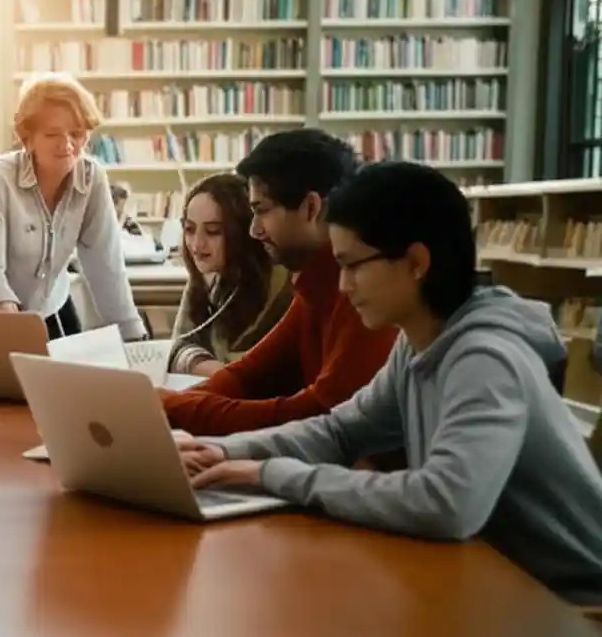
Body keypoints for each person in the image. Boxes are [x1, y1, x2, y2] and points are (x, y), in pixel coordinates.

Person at [181, 161, 602, 606]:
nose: (342, 287)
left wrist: (272, 474)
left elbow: (446, 504)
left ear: (416, 262)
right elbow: (339, 431)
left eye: (352, 266)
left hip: (571, 607)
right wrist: (226, 451)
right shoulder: (417, 341)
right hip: (497, 584)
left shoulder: (486, 358)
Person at [159, 129, 397, 434]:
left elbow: (320, 414)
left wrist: (173, 406)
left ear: (311, 207)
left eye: (262, 211)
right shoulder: (315, 283)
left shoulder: (360, 291)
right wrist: (168, 407)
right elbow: (248, 376)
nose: (254, 230)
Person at [0, 73, 145, 340]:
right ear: (27, 136)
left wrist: (134, 337)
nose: (67, 145)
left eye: (76, 134)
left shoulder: (92, 177)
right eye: (52, 134)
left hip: (54, 312)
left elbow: (105, 267)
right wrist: (16, 333)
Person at [168, 173, 292, 377]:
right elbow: (175, 348)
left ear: (242, 232)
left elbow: (250, 371)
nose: (197, 245)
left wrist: (195, 363)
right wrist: (203, 365)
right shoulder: (206, 276)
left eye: (213, 231)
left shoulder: (279, 283)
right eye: (189, 229)